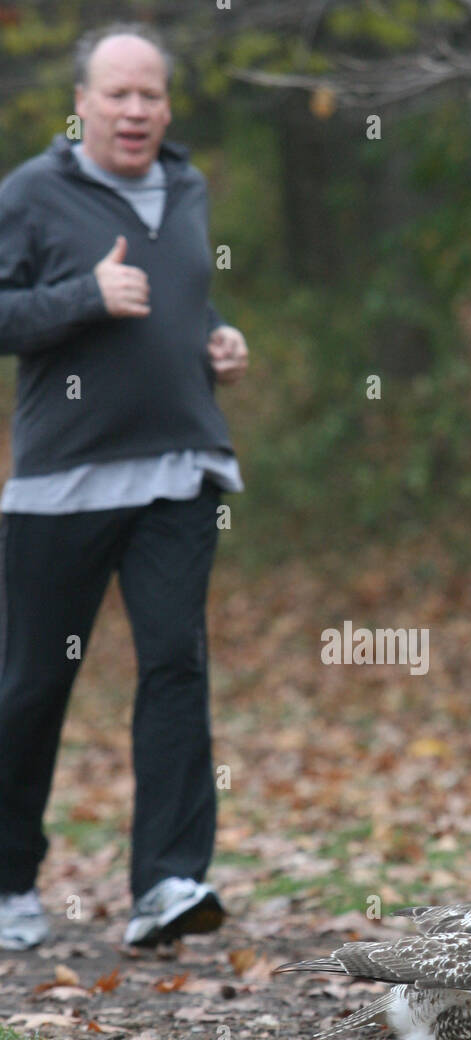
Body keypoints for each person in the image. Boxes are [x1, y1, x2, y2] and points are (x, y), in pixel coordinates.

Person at [0, 22, 248, 949]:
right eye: (118, 94)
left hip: (182, 470)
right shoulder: (33, 191)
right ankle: (9, 881)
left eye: (151, 94)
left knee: (176, 667)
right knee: (32, 684)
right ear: (81, 102)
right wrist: (82, 300)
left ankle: (169, 882)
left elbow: (184, 294)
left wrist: (217, 337)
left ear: (168, 107)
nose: (136, 110)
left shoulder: (186, 188)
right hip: (63, 484)